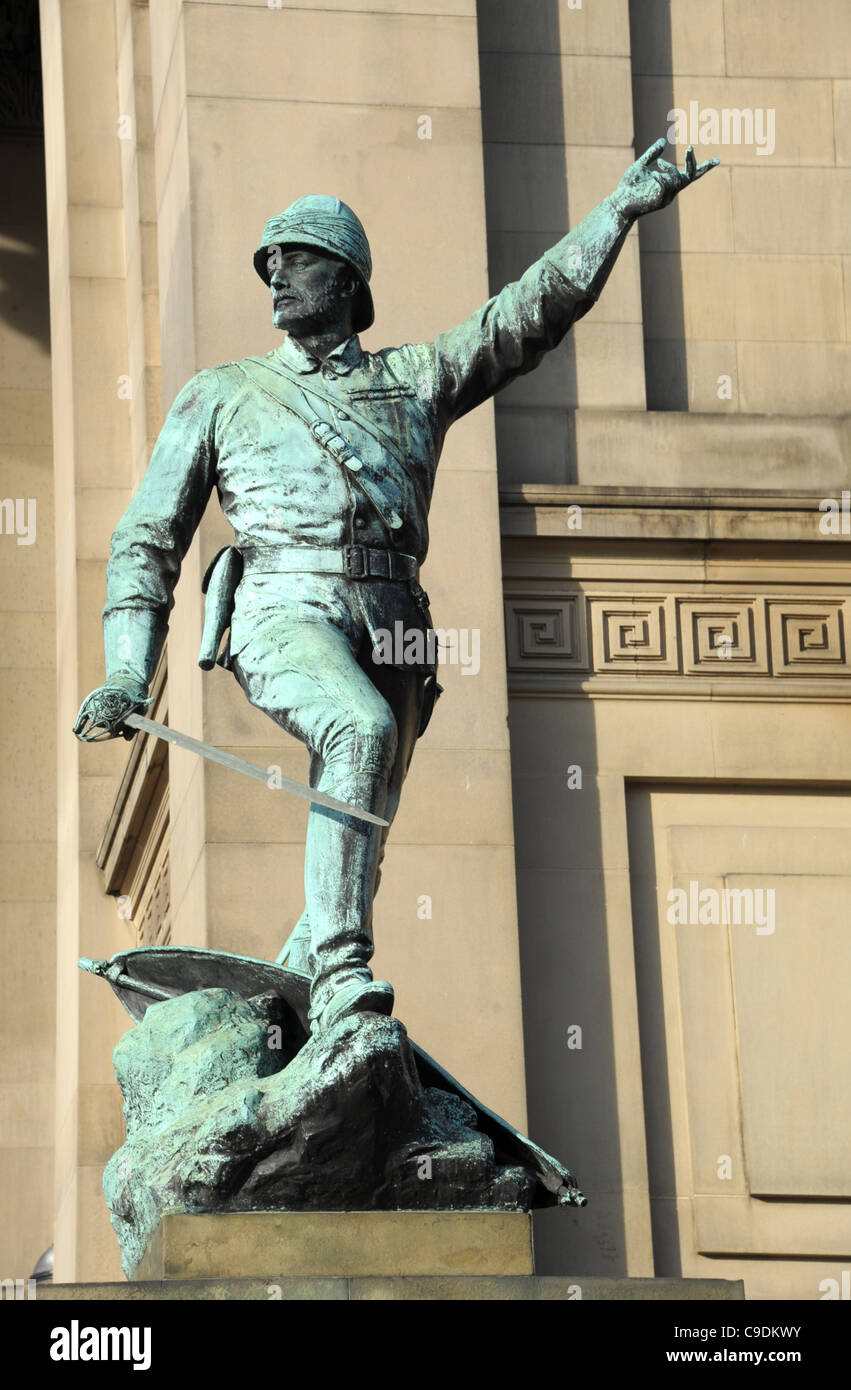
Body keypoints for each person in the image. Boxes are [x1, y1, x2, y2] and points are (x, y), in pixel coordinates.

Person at [74, 139, 718, 1036]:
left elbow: (526, 316)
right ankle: (342, 973)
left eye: (295, 259)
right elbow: (147, 536)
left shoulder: (416, 379)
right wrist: (123, 669)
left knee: (362, 824)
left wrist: (619, 210)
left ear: (347, 279)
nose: (275, 279)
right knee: (357, 729)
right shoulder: (220, 394)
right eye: (268, 264)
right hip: (280, 605)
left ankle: (289, 1010)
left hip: (394, 628)